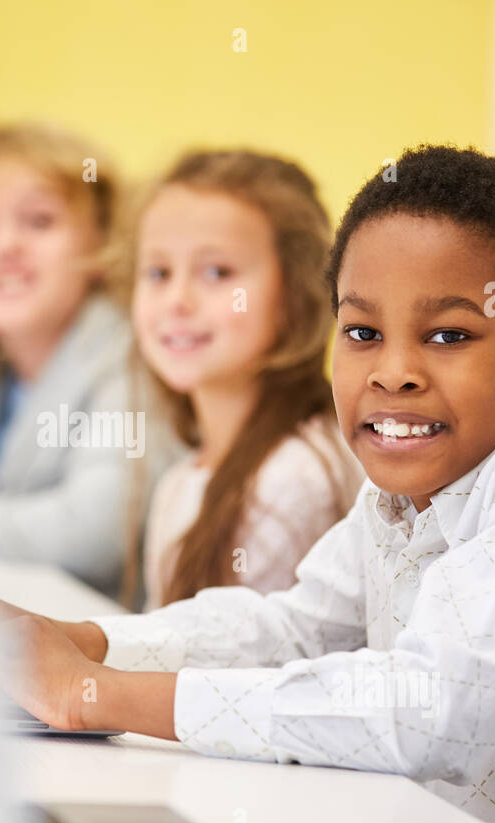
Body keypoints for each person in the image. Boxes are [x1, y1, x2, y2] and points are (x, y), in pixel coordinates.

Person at [0, 145, 495, 823]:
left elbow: (435, 712)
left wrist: (93, 695)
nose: (394, 372)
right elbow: (296, 629)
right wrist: (90, 641)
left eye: (448, 335)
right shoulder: (402, 492)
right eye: (363, 331)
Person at [0, 123, 176, 597]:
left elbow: (93, 532)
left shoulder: (128, 359)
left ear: (103, 246)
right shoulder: (1, 365)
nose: (5, 247)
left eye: (39, 221)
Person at [123, 150, 362, 609]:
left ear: (296, 294)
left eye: (217, 272)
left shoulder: (290, 479)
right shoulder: (183, 477)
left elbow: (239, 675)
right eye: (157, 272)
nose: (177, 299)